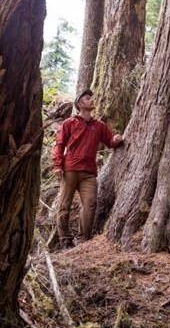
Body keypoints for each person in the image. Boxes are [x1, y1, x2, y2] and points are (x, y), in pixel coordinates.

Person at [52, 89, 125, 247]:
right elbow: (59, 145)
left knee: (90, 204)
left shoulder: (99, 125)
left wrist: (117, 139)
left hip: (89, 173)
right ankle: (65, 240)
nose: (91, 100)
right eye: (87, 98)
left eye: (92, 98)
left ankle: (83, 239)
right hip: (69, 170)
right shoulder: (69, 123)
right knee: (64, 206)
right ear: (79, 104)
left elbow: (110, 141)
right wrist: (57, 165)